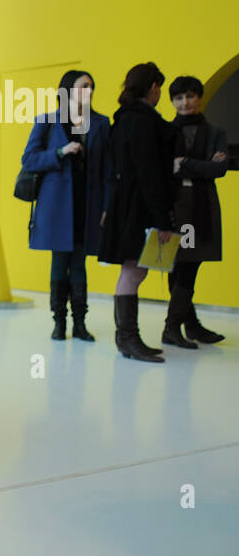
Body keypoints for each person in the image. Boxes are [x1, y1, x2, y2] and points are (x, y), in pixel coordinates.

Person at [20, 70, 112, 341]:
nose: (90, 91)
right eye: (84, 86)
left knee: (80, 262)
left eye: (92, 86)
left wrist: (106, 207)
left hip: (88, 203)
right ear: (68, 90)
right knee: (60, 262)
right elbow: (29, 159)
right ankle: (59, 323)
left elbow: (108, 169)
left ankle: (80, 324)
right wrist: (61, 152)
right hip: (57, 204)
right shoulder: (48, 121)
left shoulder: (101, 123)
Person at [97, 62, 173, 362]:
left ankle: (127, 338)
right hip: (138, 207)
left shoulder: (123, 120)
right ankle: (128, 338)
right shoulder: (143, 121)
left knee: (134, 269)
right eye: (160, 89)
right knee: (132, 269)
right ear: (153, 88)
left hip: (125, 204)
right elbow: (149, 172)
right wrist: (161, 218)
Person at [162, 75, 228, 347]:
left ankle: (179, 326)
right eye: (178, 98)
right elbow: (163, 168)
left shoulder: (215, 133)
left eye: (190, 96)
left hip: (199, 205)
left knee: (189, 264)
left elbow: (220, 169)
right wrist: (203, 165)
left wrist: (185, 164)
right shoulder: (165, 131)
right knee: (174, 266)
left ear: (199, 97)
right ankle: (184, 326)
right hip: (172, 204)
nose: (185, 102)